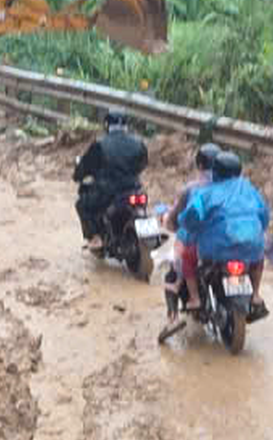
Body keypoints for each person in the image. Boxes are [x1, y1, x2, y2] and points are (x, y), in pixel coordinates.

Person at [177, 151, 269, 310]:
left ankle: (195, 298)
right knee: (259, 259)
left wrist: (186, 226)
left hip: (217, 250)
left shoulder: (205, 193)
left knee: (187, 257)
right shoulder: (251, 190)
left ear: (215, 171)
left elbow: (189, 218)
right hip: (251, 246)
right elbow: (264, 216)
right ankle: (255, 294)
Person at [74, 111, 149, 251]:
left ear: (107, 125)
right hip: (134, 188)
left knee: (82, 205)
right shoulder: (139, 143)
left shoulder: (100, 144)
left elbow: (85, 167)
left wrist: (78, 175)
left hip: (108, 191)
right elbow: (143, 164)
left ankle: (95, 237)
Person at [162, 143, 220, 314]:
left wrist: (170, 223)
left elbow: (175, 218)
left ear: (199, 165)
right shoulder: (231, 189)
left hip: (200, 242)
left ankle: (176, 314)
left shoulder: (192, 189)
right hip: (229, 240)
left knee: (175, 269)